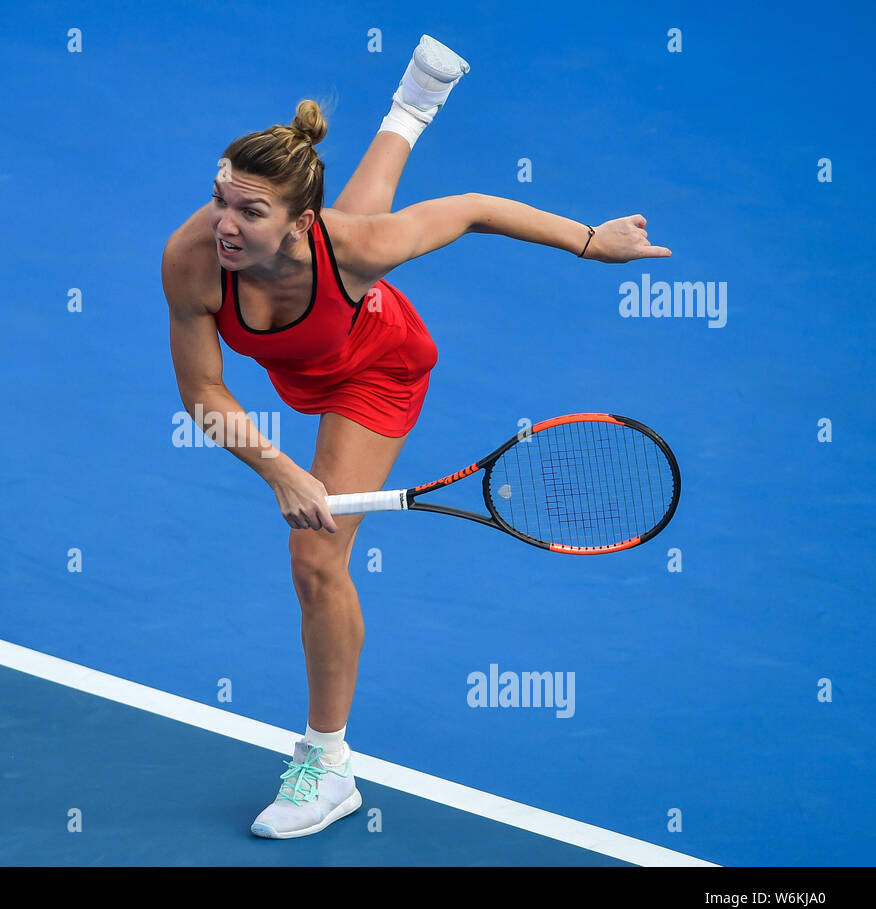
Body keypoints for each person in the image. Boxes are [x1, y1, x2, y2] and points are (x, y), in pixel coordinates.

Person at [162, 35, 671, 840]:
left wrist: (591, 240)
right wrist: (279, 470)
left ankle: (326, 766)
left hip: (377, 370)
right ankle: (411, 107)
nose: (223, 222)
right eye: (220, 196)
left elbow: (471, 210)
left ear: (298, 224)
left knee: (316, 557)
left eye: (248, 210)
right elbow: (202, 390)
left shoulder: (350, 249)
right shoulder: (194, 259)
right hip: (309, 350)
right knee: (359, 216)